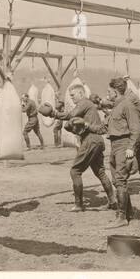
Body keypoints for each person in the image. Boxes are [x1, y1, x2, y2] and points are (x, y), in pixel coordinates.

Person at [54, 84, 117, 212]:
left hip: (91, 140)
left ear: (81, 94)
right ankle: (113, 201)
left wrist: (53, 113)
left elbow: (71, 115)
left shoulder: (84, 103)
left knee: (75, 171)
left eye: (73, 95)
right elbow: (75, 123)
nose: (71, 98)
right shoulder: (88, 106)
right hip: (97, 141)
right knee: (100, 172)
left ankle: (78, 204)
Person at [105, 76, 140, 224]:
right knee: (117, 180)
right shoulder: (117, 106)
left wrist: (130, 148)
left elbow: (137, 130)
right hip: (114, 145)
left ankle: (121, 217)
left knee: (120, 180)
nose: (107, 94)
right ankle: (129, 212)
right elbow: (106, 127)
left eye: (109, 91)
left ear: (115, 92)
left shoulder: (127, 105)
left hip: (123, 145)